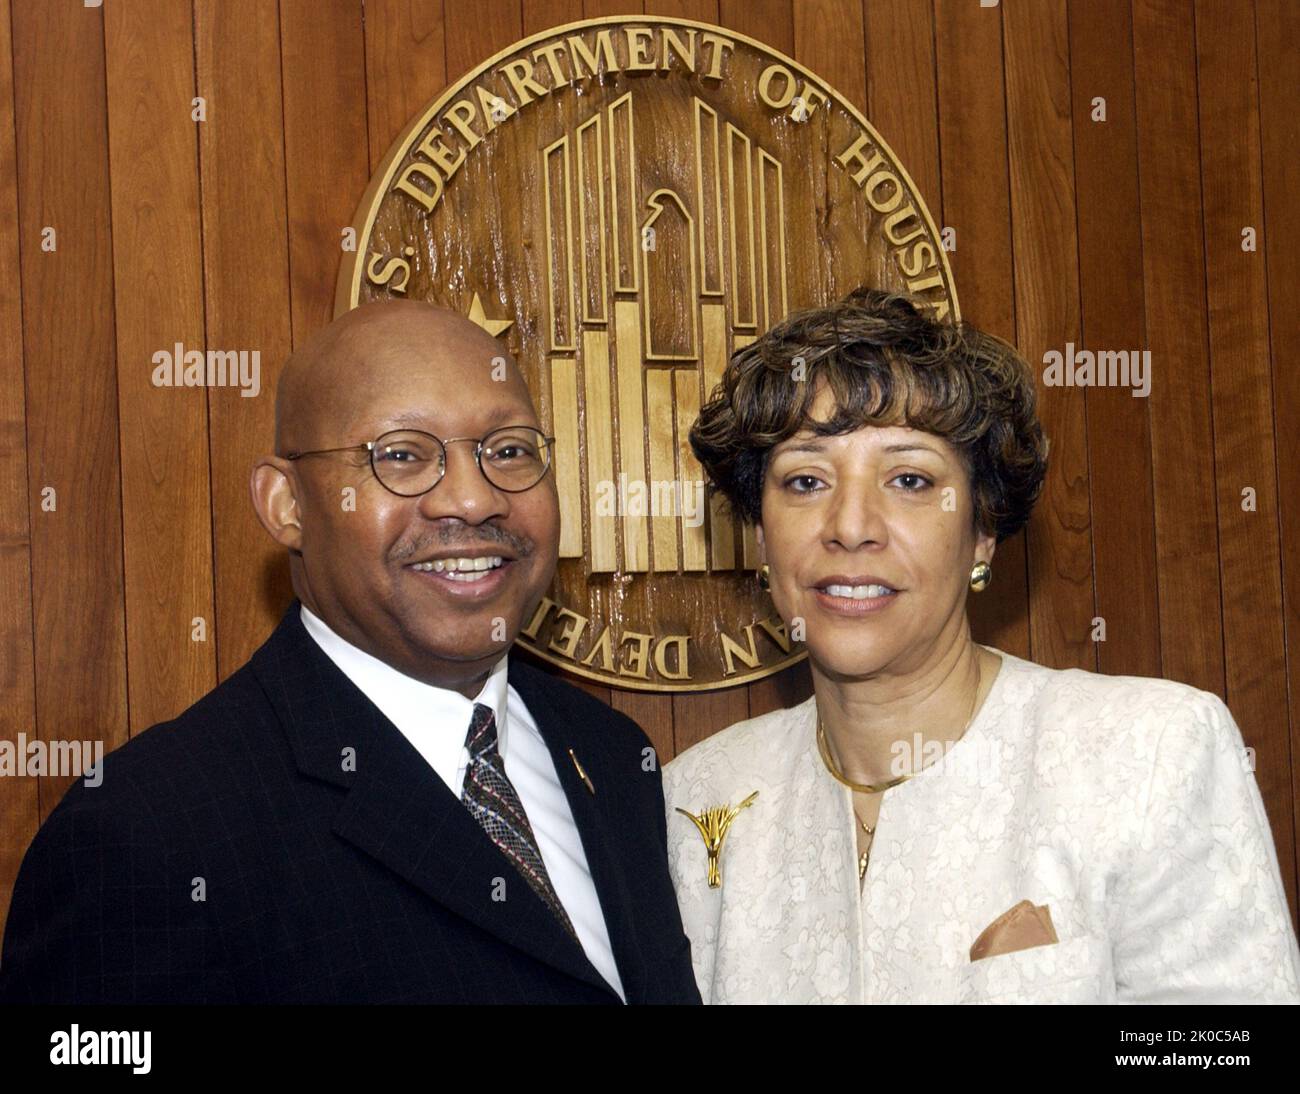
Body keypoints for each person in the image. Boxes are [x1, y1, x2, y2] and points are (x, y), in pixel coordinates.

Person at [0, 300, 700, 1005]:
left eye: (508, 450)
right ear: (287, 504)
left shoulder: (611, 758)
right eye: (401, 455)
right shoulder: (149, 834)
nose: (472, 499)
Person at [664, 287, 1300, 1003]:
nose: (850, 526)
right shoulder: (697, 800)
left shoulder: (1148, 753)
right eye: (806, 481)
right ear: (760, 536)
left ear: (982, 532)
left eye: (910, 480)